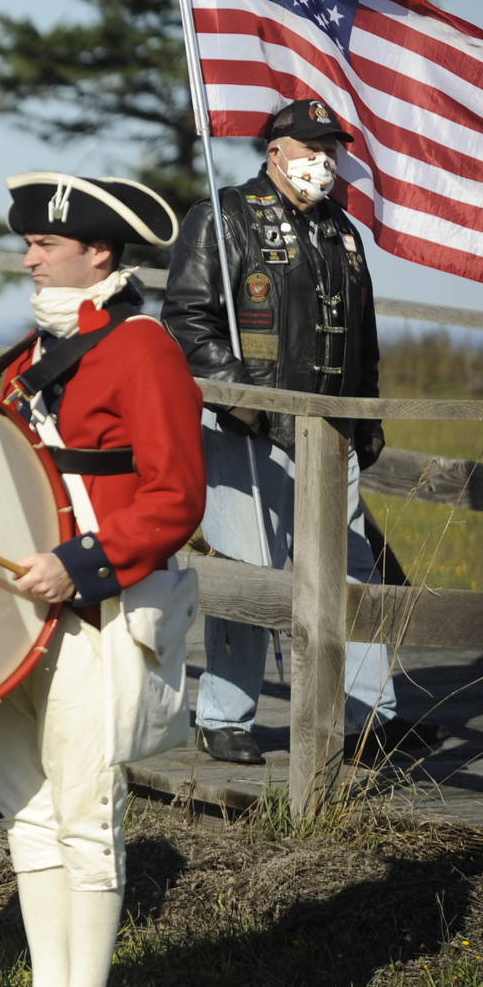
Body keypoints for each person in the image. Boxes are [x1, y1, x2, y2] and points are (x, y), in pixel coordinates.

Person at [0, 172, 204, 987]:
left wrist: (78, 565)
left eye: (45, 243)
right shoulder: (31, 354)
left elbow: (175, 496)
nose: (28, 257)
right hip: (19, 618)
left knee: (86, 813)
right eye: (28, 242)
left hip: (97, 610)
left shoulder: (143, 349)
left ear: (100, 251)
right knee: (28, 811)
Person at [163, 99, 431, 764]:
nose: (324, 162)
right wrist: (244, 403)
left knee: (354, 571)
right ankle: (223, 716)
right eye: (311, 149)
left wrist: (368, 417)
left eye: (330, 150)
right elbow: (187, 320)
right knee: (252, 573)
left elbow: (364, 342)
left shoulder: (343, 233)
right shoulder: (223, 216)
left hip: (333, 432)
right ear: (275, 151)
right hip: (249, 431)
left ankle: (369, 719)